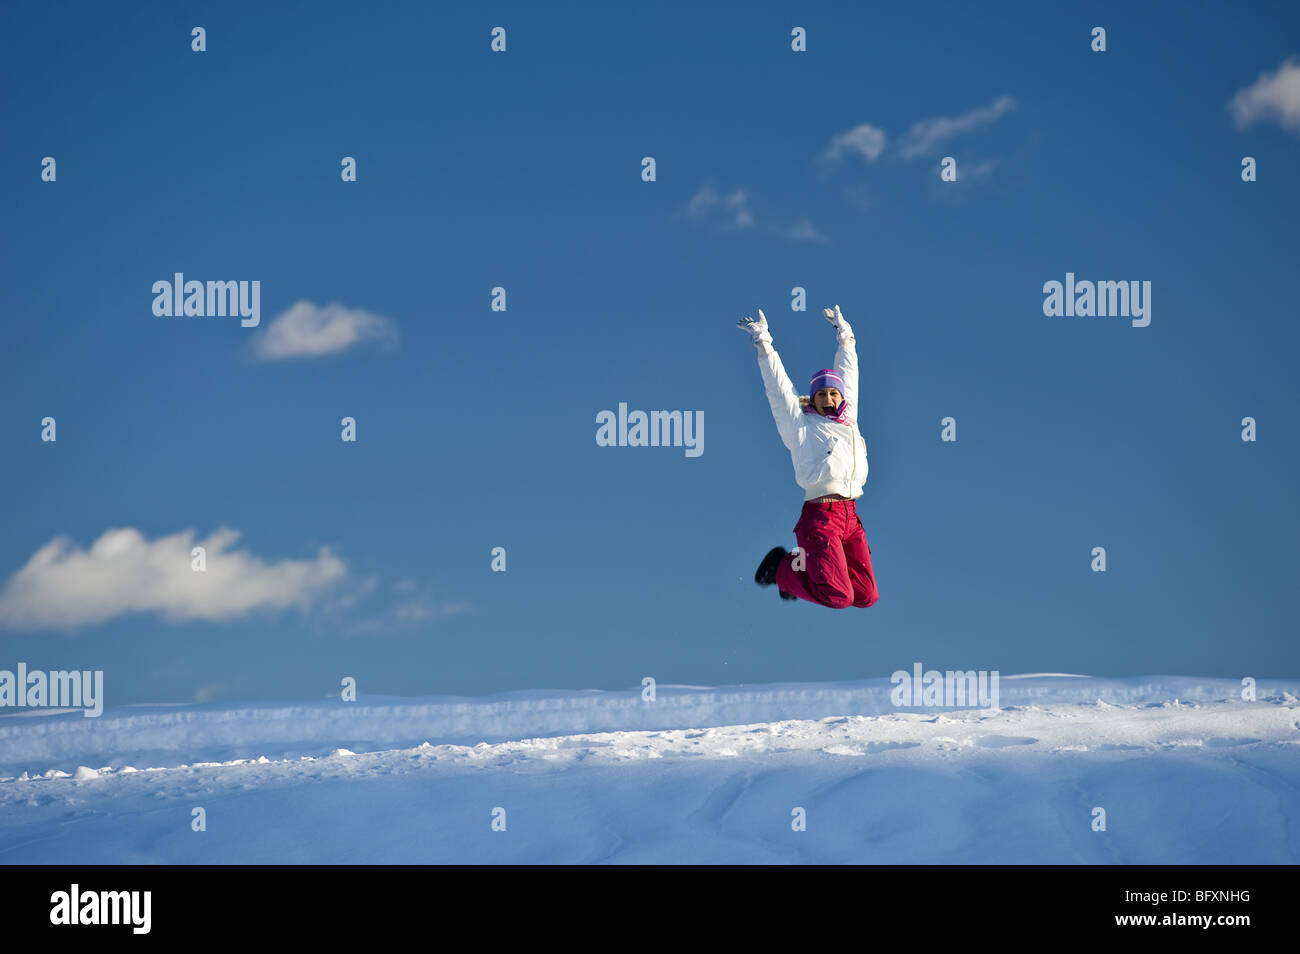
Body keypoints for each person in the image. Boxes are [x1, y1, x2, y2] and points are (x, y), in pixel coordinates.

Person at [736, 305, 878, 609]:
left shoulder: (848, 419)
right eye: (821, 394)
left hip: (851, 516)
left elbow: (848, 374)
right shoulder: (800, 425)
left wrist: (846, 336)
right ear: (812, 399)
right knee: (840, 597)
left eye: (833, 393)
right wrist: (764, 342)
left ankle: (804, 569)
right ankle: (783, 569)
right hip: (821, 516)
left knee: (866, 596)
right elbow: (778, 389)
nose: (828, 398)